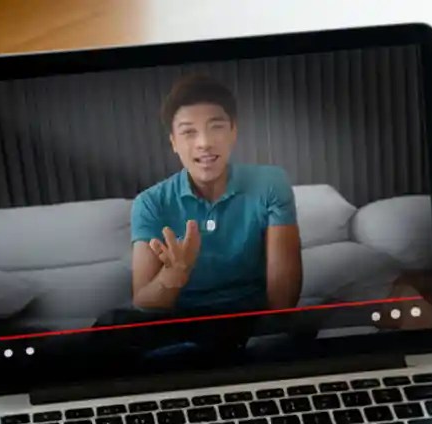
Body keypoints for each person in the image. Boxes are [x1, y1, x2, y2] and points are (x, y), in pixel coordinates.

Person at [129, 73, 302, 316]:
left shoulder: (271, 183)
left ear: (234, 131)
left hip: (252, 325)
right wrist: (174, 274)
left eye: (216, 127)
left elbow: (282, 303)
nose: (204, 143)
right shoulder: (150, 203)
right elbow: (143, 304)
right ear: (174, 142)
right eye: (189, 132)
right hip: (182, 329)